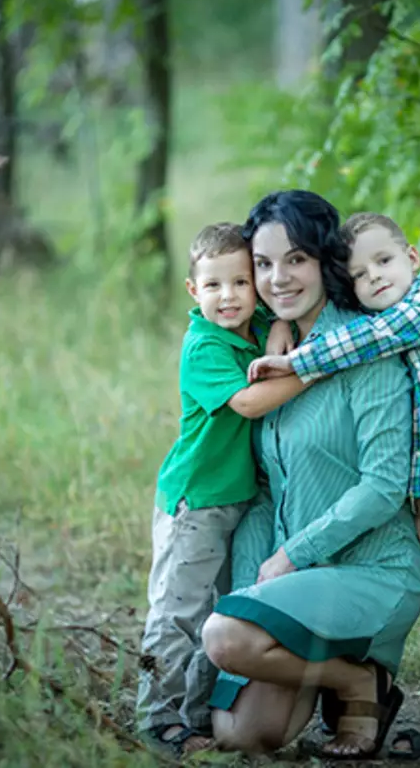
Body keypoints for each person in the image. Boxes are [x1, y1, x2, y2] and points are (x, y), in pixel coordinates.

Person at [248, 212, 420, 766]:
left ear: (413, 258)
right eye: (358, 273)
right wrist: (279, 324)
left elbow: (373, 337)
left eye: (384, 261)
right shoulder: (373, 328)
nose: (374, 277)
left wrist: (293, 359)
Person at [199, 191, 420, 760]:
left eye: (296, 260)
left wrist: (291, 558)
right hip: (295, 579)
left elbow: (383, 485)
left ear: (323, 259)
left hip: (374, 571)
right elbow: (265, 493)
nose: (279, 279)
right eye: (264, 264)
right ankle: (339, 674)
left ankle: (357, 680)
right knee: (243, 734)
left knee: (224, 636)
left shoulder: (364, 347)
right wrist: (254, 584)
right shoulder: (262, 355)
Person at [135, 222, 302, 757]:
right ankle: (156, 717)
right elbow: (250, 404)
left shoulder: (252, 322)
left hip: (236, 497)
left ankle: (194, 713)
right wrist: (315, 370)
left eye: (239, 283)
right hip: (197, 501)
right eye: (213, 286)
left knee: (217, 612)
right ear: (193, 291)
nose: (227, 297)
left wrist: (278, 324)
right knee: (177, 611)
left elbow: (282, 314)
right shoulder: (203, 346)